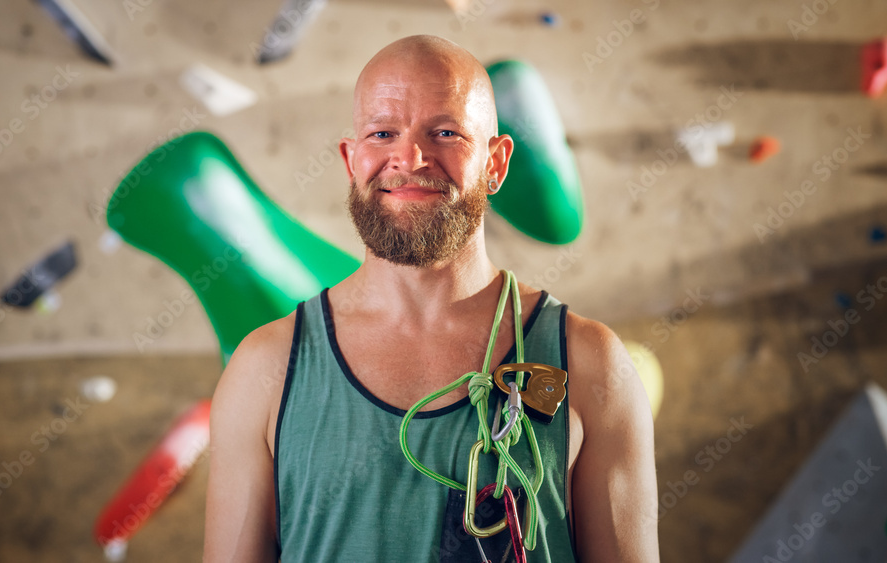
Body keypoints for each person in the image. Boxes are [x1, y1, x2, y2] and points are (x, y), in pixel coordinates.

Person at [204, 35, 659, 562]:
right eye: (382, 133)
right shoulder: (265, 368)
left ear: (496, 162)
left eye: (445, 132)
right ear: (351, 160)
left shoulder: (590, 363)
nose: (410, 158)